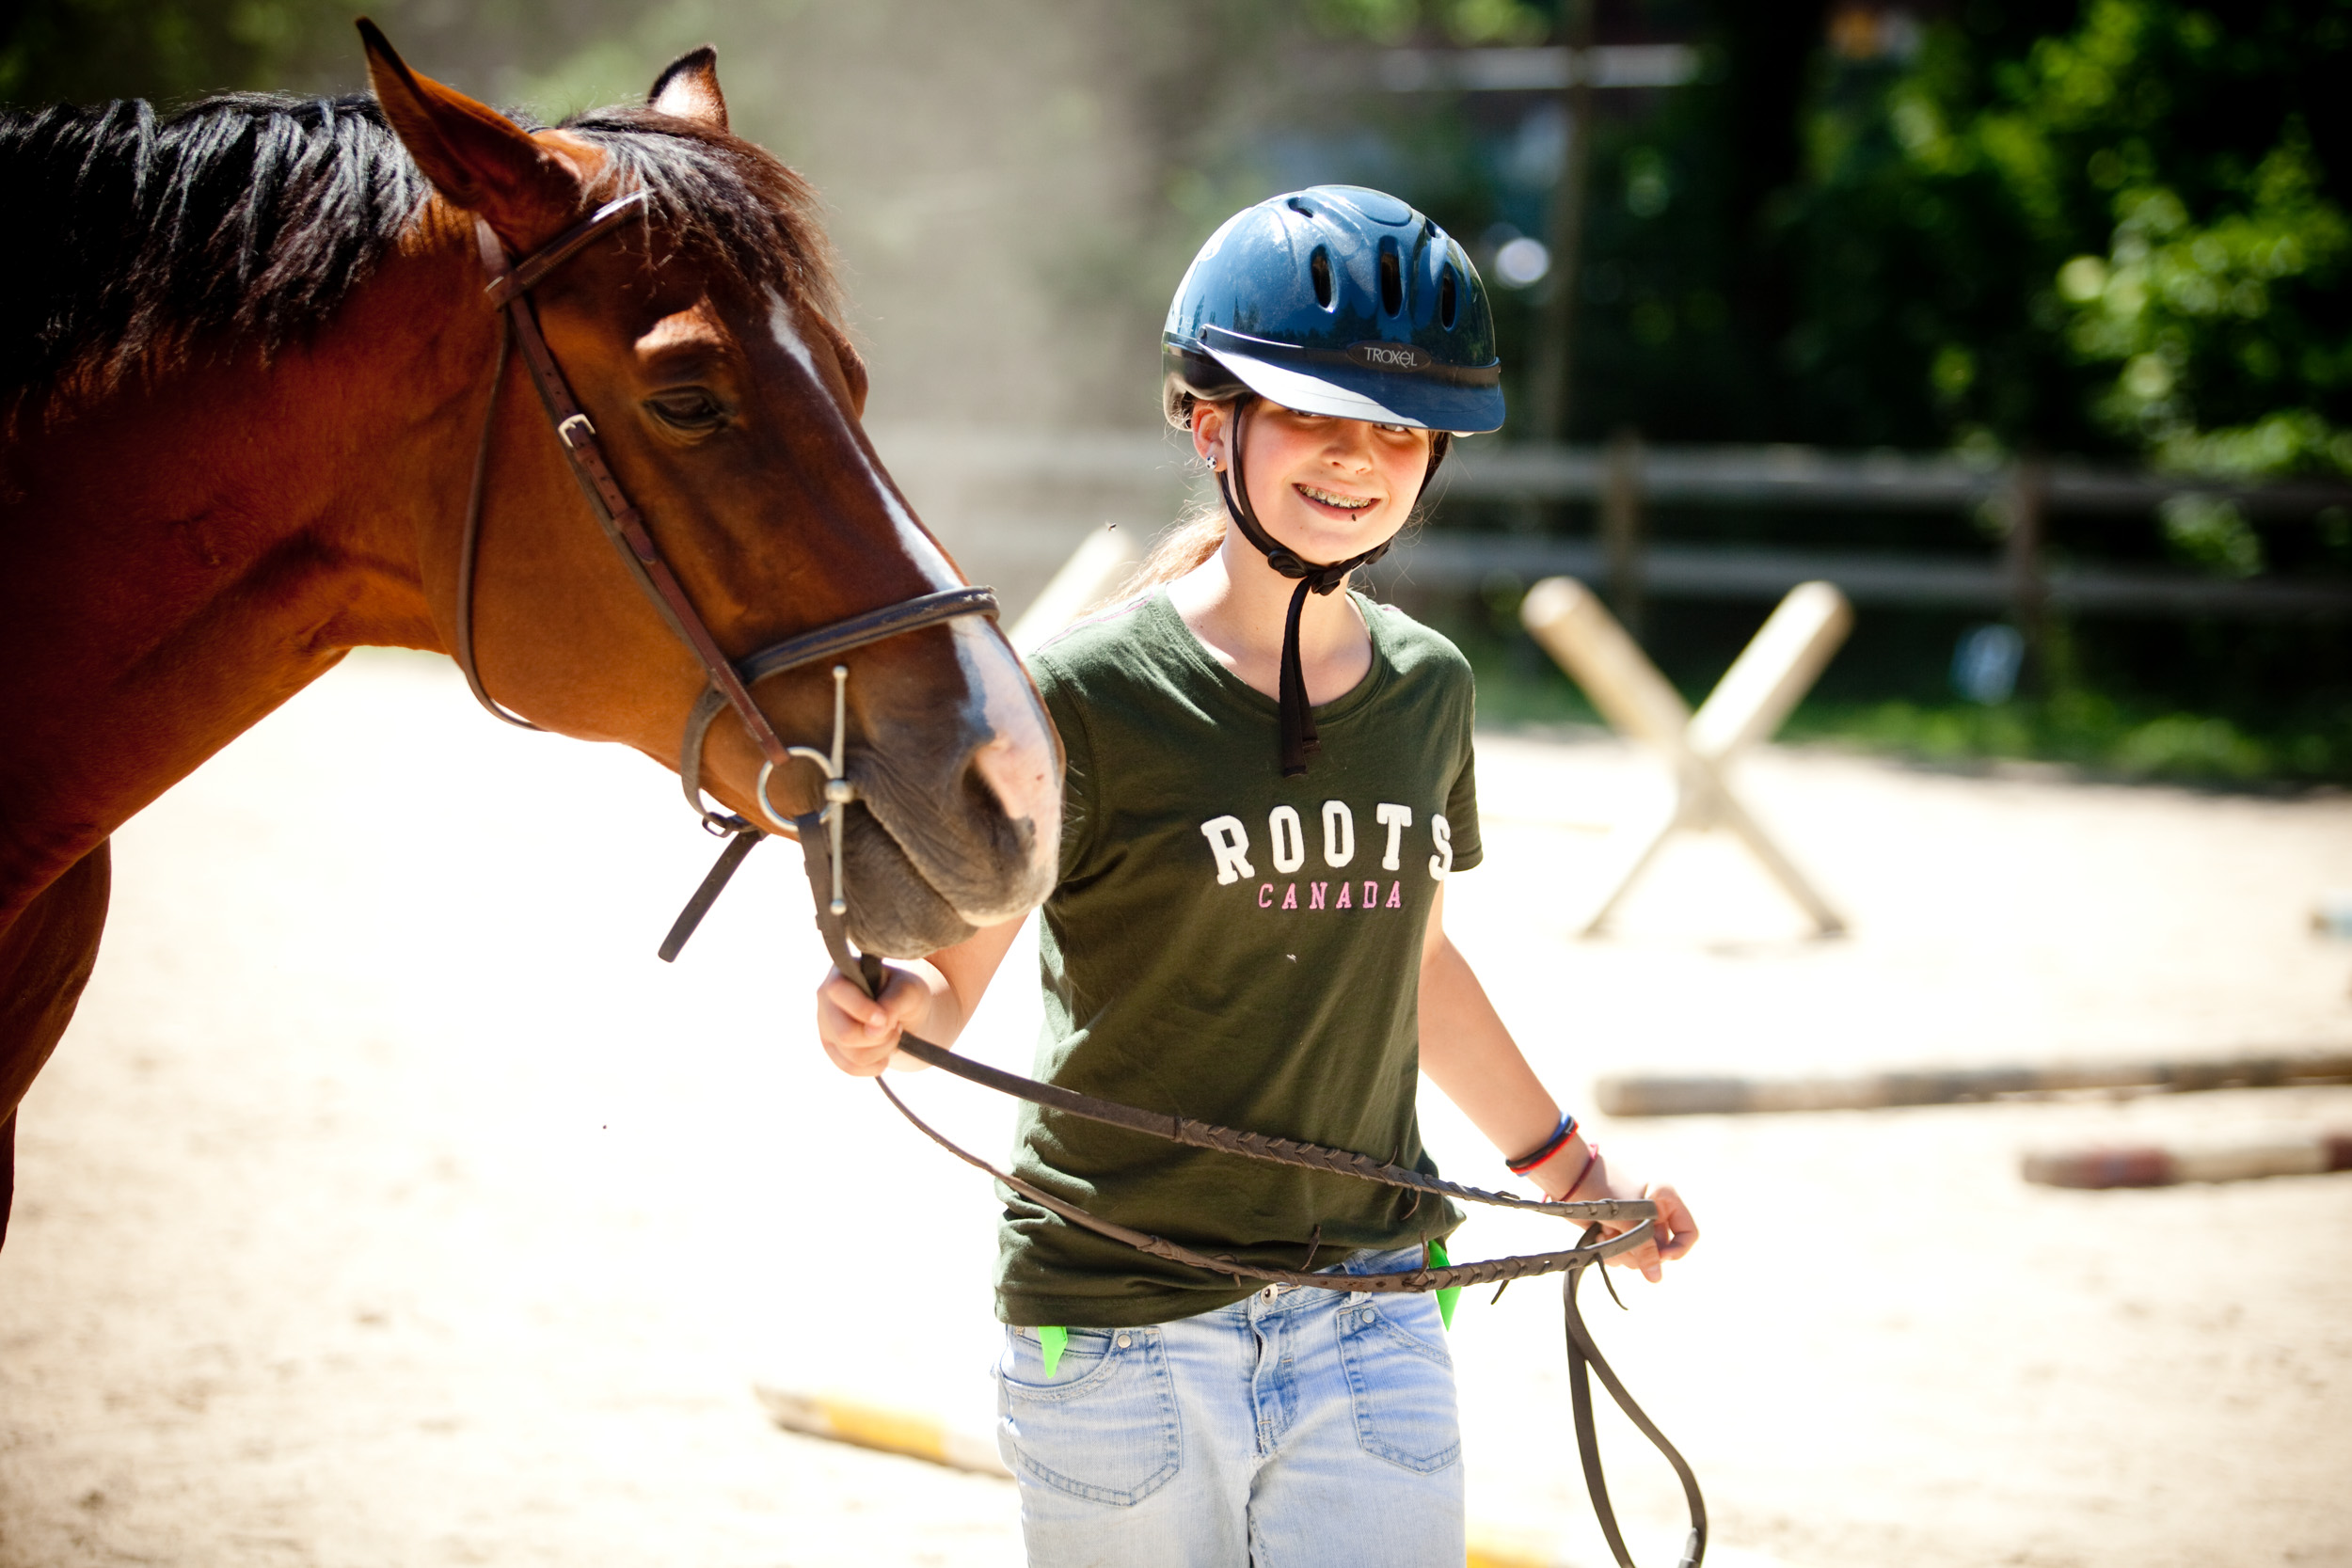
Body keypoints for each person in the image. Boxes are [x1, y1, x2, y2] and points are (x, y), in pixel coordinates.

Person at [815, 184, 1697, 1568]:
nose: (1357, 459)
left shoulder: (1428, 691)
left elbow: (1414, 960)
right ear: (1206, 415)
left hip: (1377, 1309)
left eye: (1398, 429)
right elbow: (951, 975)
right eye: (1313, 414)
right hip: (1118, 1325)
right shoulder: (1083, 693)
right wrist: (884, 1016)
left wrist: (1571, 1169)